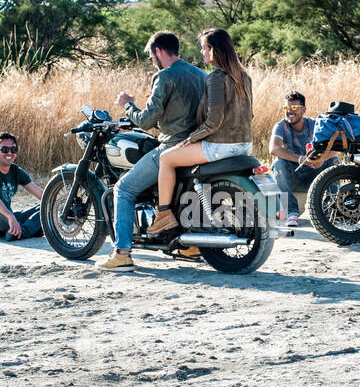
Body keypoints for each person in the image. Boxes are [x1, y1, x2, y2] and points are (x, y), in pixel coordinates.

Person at [96, 31, 206, 270]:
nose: (151, 60)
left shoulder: (164, 76)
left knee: (123, 189)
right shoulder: (200, 74)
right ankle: (189, 246)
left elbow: (144, 121)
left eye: (150, 56)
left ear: (158, 51)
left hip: (172, 146)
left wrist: (128, 105)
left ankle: (122, 253)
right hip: (197, 146)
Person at [147, 28, 254, 236]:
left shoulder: (216, 77)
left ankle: (164, 215)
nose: (202, 52)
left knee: (167, 158)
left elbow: (213, 122)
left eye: (205, 48)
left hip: (219, 145)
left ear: (214, 50)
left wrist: (189, 139)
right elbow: (249, 116)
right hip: (244, 144)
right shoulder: (243, 76)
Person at [269, 91, 337, 225]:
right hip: (295, 176)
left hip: (316, 173)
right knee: (278, 164)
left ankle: (329, 209)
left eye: (294, 108)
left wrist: (322, 158)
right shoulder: (281, 126)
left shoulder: (315, 124)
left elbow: (335, 148)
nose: (290, 111)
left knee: (335, 161)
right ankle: (290, 212)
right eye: (286, 108)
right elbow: (274, 149)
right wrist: (300, 159)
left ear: (304, 110)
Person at [0, 132, 44, 240]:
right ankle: (25, 230)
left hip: (8, 219)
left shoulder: (16, 171)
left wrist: (59, 205)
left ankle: (18, 231)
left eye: (13, 150)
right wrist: (10, 216)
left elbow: (39, 193)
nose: (9, 153)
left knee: (46, 208)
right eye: (5, 149)